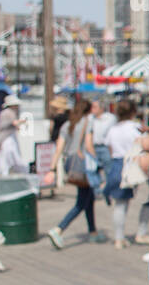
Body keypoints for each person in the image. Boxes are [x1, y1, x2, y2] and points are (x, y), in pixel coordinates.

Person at [46, 99, 107, 248]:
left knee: (88, 197)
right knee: (82, 202)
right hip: (84, 165)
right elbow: (88, 145)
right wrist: (99, 164)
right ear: (87, 111)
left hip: (70, 164)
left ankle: (92, 232)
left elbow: (59, 148)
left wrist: (52, 169)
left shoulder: (67, 125)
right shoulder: (87, 122)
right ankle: (59, 228)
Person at [103, 100, 143, 248]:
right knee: (123, 204)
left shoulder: (113, 129)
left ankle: (119, 237)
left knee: (119, 203)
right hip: (130, 164)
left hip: (116, 164)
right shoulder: (135, 128)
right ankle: (120, 238)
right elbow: (141, 146)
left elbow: (109, 148)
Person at [0, 95, 26, 175]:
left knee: (5, 158)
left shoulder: (6, 112)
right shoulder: (9, 112)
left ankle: (5, 174)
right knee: (10, 157)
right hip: (6, 138)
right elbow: (15, 123)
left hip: (6, 138)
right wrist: (23, 121)